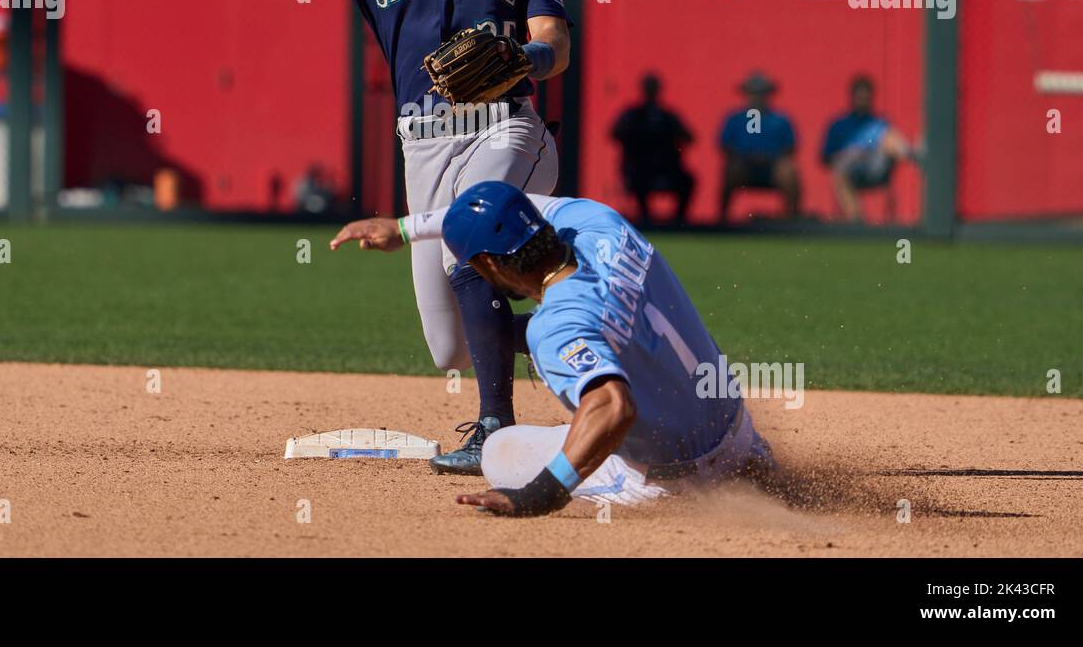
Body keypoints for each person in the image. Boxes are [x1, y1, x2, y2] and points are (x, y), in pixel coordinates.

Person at [61, 0, 571, 475]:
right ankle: (590, 335)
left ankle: (494, 431)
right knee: (451, 347)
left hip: (506, 127)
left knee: (464, 248)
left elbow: (556, 44)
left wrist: (524, 59)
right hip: (423, 139)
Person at [330, 181, 777, 516]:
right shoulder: (601, 222)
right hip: (738, 432)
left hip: (671, 481)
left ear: (488, 264)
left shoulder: (555, 330)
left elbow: (612, 406)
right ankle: (753, 467)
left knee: (499, 450)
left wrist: (545, 491)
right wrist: (406, 228)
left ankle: (654, 490)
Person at [821, 75, 918, 222]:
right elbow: (825, 157)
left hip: (876, 167)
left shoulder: (879, 123)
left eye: (866, 97)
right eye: (859, 97)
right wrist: (847, 155)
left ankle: (915, 154)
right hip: (848, 168)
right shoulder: (838, 124)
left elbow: (888, 144)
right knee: (841, 170)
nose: (863, 101)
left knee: (889, 139)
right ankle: (857, 220)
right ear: (852, 97)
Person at [610, 73, 695, 225]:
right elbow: (615, 134)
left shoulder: (667, 116)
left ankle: (679, 221)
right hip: (639, 166)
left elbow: (689, 137)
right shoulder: (632, 115)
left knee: (687, 181)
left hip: (667, 167)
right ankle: (645, 218)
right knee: (638, 179)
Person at [718, 71, 800, 222]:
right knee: (732, 168)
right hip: (744, 165)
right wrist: (745, 157)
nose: (757, 97)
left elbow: (791, 147)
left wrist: (771, 158)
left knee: (788, 170)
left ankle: (792, 218)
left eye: (762, 92)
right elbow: (724, 145)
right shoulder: (735, 118)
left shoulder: (781, 119)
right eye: (753, 92)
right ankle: (722, 219)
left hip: (773, 167)